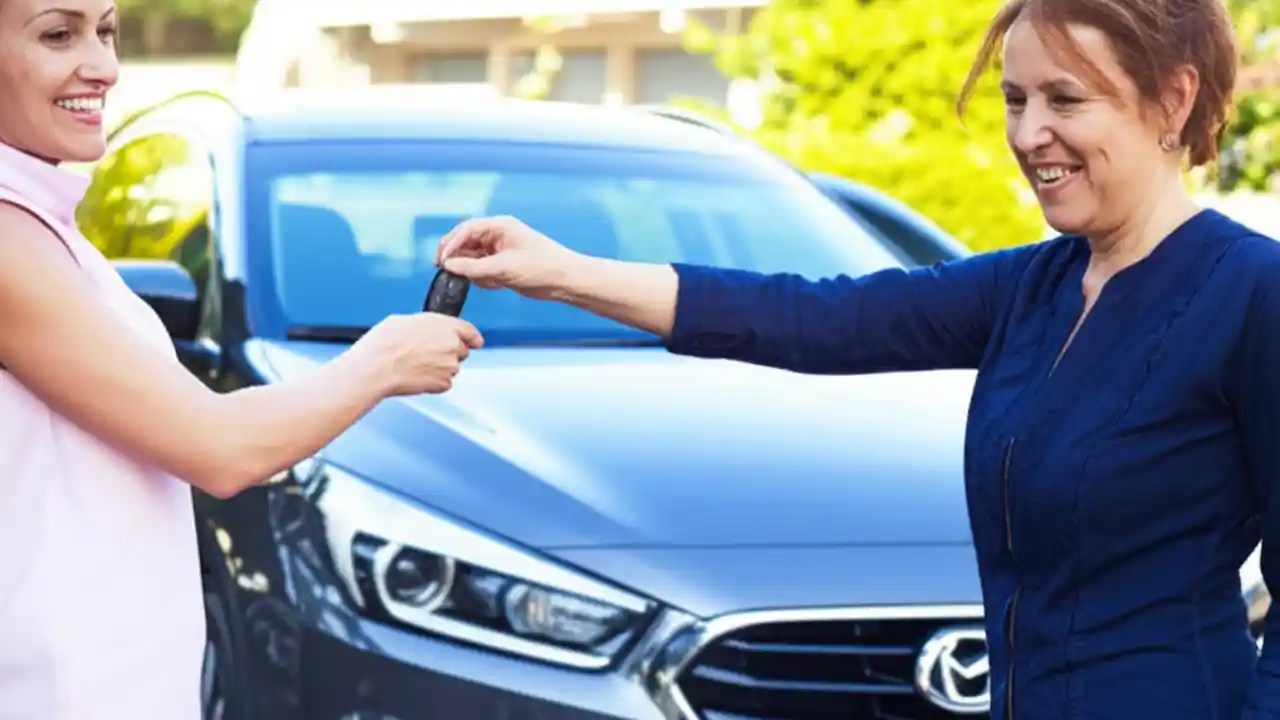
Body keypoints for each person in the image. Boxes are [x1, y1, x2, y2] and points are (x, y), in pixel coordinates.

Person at [437, 0, 1280, 718]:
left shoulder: (1252, 292)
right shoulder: (1033, 286)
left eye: (1066, 99)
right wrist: (564, 273)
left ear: (1173, 99)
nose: (1030, 134)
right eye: (1015, 99)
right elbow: (812, 318)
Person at [0, 0, 483, 717]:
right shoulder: (10, 242)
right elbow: (220, 446)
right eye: (58, 34)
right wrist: (385, 358)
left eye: (106, 31)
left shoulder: (40, 225)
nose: (102, 66)